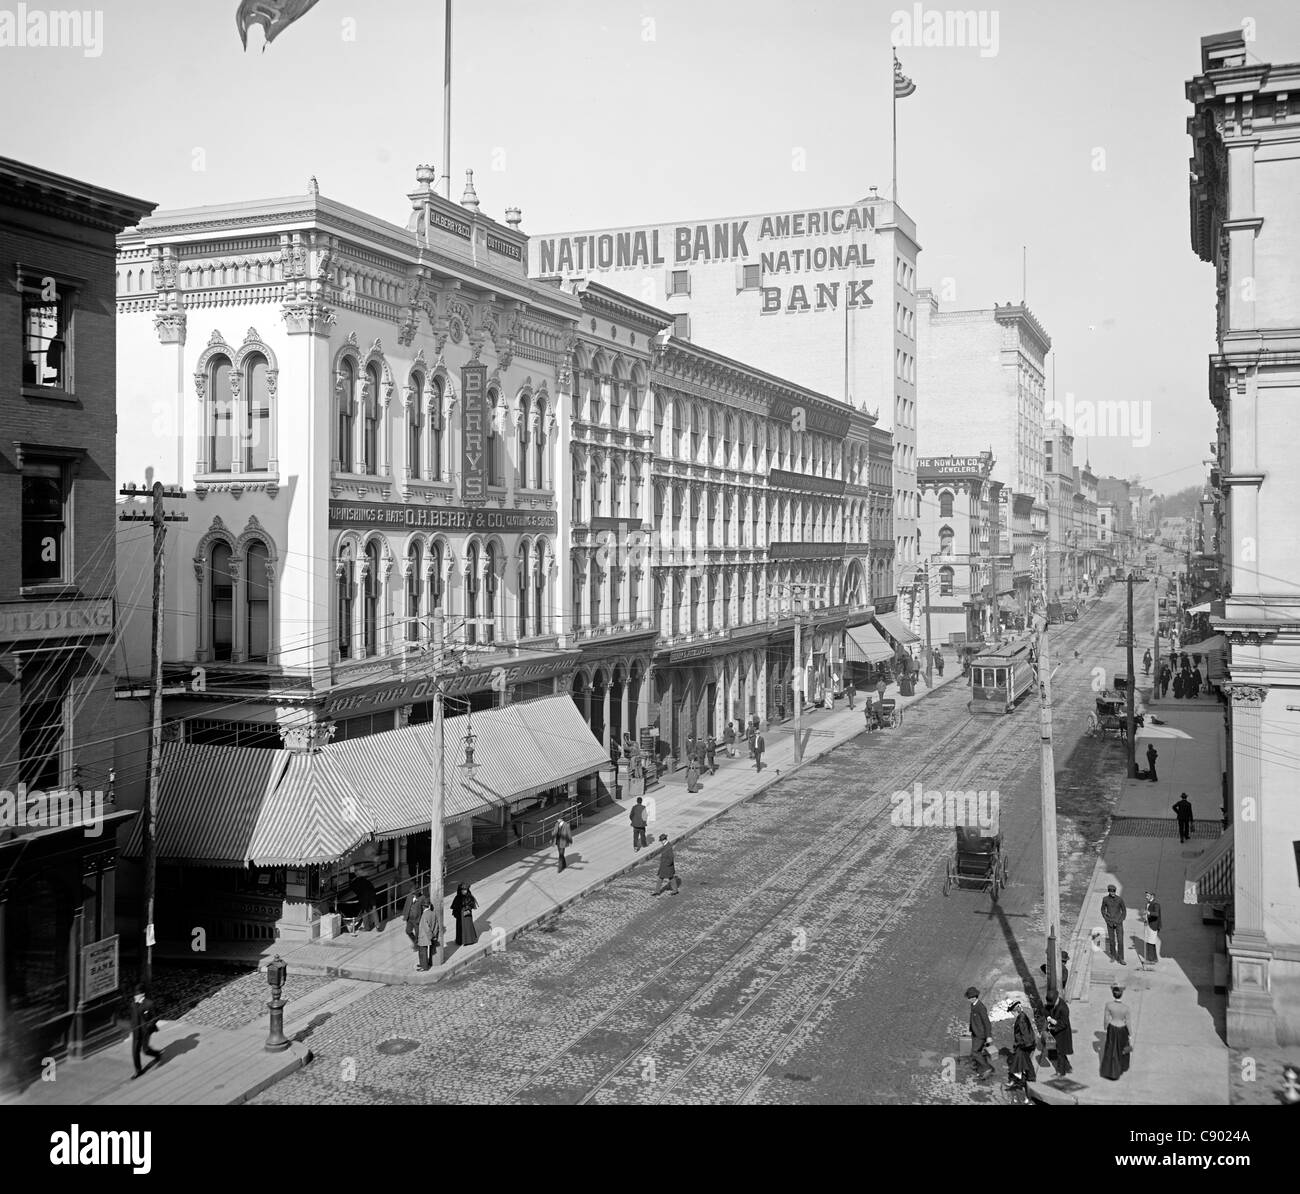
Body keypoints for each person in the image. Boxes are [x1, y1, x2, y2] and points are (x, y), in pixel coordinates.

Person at [1099, 986, 1133, 1080]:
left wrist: (1106, 1027)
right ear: (1122, 994)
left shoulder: (1108, 1005)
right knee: (1123, 1048)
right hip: (1122, 1028)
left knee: (1111, 1049)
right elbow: (1128, 1022)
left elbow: (1106, 1018)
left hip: (1112, 1028)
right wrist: (1130, 1034)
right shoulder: (1126, 1008)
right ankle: (1122, 1067)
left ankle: (1110, 1071)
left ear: (1113, 994)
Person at [1006, 999, 1037, 1099]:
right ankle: (1027, 1078)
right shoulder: (1022, 1016)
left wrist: (1022, 1045)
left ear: (1016, 1011)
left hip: (1025, 1045)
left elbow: (1025, 1034)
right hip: (1025, 1044)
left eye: (1012, 1012)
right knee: (1025, 1062)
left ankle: (1017, 1079)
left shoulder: (1021, 1020)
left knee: (1019, 1061)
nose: (1012, 1014)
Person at [129, 985, 163, 1078]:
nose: (135, 996)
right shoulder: (133, 1004)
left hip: (146, 1031)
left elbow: (156, 1017)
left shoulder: (149, 1004)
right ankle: (138, 1070)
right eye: (135, 994)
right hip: (136, 1031)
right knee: (135, 1051)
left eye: (137, 994)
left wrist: (149, 1025)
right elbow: (133, 1017)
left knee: (145, 1050)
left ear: (142, 994)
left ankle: (156, 1054)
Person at [965, 986, 995, 1080]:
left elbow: (987, 1022)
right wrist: (970, 1029)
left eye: (969, 997)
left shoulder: (980, 1007)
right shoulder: (973, 1005)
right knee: (978, 1052)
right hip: (975, 1032)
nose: (968, 999)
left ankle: (987, 1068)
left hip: (980, 1034)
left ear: (974, 997)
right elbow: (973, 1019)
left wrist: (988, 1036)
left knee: (974, 1052)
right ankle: (981, 1070)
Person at [1045, 992, 1074, 1076]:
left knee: (1060, 1052)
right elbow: (1046, 1010)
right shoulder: (1054, 1003)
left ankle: (1061, 1072)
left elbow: (1064, 1023)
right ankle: (1068, 1068)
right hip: (1056, 1032)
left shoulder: (1063, 1008)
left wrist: (1055, 1024)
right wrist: (1049, 1018)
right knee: (1061, 1051)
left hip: (1062, 1033)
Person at [1102, 883, 1127, 964]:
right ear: (1109, 891)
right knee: (1112, 941)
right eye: (1111, 892)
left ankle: (1121, 958)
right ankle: (1113, 956)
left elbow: (1124, 911)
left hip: (1119, 923)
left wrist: (1120, 920)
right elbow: (1102, 910)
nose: (1113, 893)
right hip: (1109, 923)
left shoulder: (1120, 899)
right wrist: (1106, 919)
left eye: (1114, 892)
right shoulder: (1105, 899)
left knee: (1120, 941)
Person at [451, 883, 479, 947]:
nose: (464, 891)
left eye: (465, 890)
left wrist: (467, 908)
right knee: (460, 927)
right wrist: (457, 912)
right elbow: (454, 906)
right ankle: (460, 940)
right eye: (463, 890)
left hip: (467, 915)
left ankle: (469, 940)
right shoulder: (457, 897)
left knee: (467, 926)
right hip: (459, 915)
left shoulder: (469, 896)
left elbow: (471, 904)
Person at [416, 898, 437, 970]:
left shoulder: (424, 915)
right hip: (429, 935)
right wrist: (434, 934)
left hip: (424, 936)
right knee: (423, 951)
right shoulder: (433, 913)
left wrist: (430, 936)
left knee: (422, 952)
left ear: (423, 906)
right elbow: (436, 925)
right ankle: (423, 964)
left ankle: (424, 966)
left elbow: (426, 928)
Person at [1144, 890, 1162, 965]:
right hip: (1149, 924)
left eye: (1148, 895)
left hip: (1153, 926)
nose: (1146, 897)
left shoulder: (1156, 904)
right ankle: (1154, 959)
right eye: (1146, 895)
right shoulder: (1147, 904)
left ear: (1152, 896)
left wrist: (1149, 913)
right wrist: (1145, 919)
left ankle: (1150, 959)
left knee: (1150, 942)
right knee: (1150, 941)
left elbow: (1156, 914)